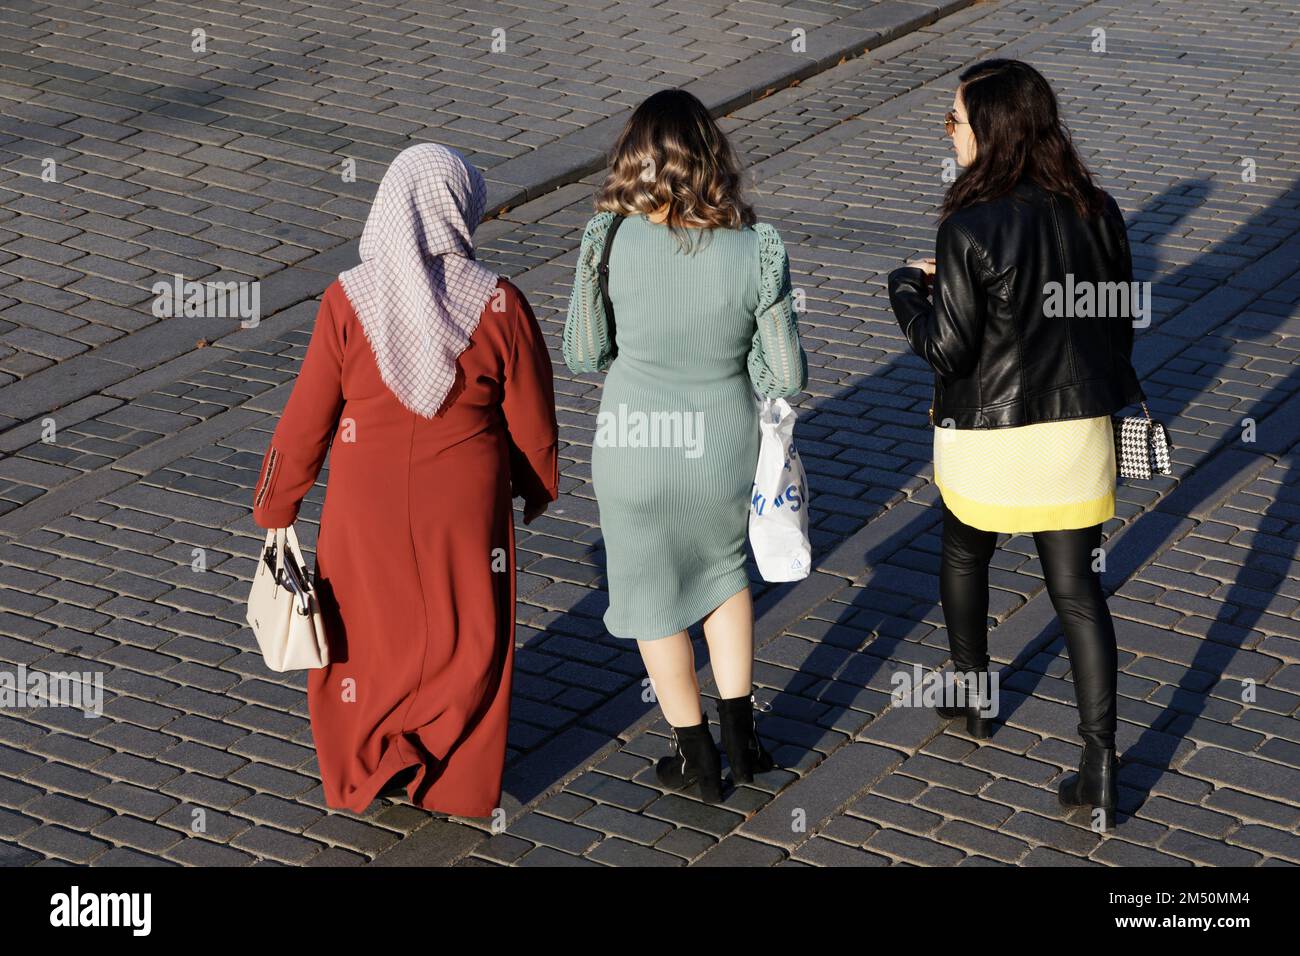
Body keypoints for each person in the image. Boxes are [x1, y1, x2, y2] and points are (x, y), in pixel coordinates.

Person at [252, 143, 558, 817]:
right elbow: (532, 416)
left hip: (366, 503)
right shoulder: (500, 302)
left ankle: (373, 758)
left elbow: (308, 415)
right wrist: (535, 484)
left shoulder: (346, 299)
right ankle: (448, 770)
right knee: (469, 632)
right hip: (464, 504)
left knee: (364, 632)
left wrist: (278, 503)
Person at [887, 59, 1145, 829]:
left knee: (966, 551)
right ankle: (1100, 762)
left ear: (992, 129)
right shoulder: (1099, 209)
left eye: (956, 120)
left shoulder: (968, 226)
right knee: (1077, 592)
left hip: (989, 436)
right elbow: (1117, 323)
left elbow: (947, 351)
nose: (950, 132)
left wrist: (908, 289)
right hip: (1075, 434)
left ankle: (969, 696)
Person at [563, 89, 808, 803]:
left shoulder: (605, 237)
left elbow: (584, 352)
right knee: (724, 578)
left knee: (652, 599)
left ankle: (696, 757)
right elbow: (786, 374)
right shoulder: (755, 246)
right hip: (721, 448)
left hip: (633, 449)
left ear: (632, 157)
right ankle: (744, 736)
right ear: (711, 156)